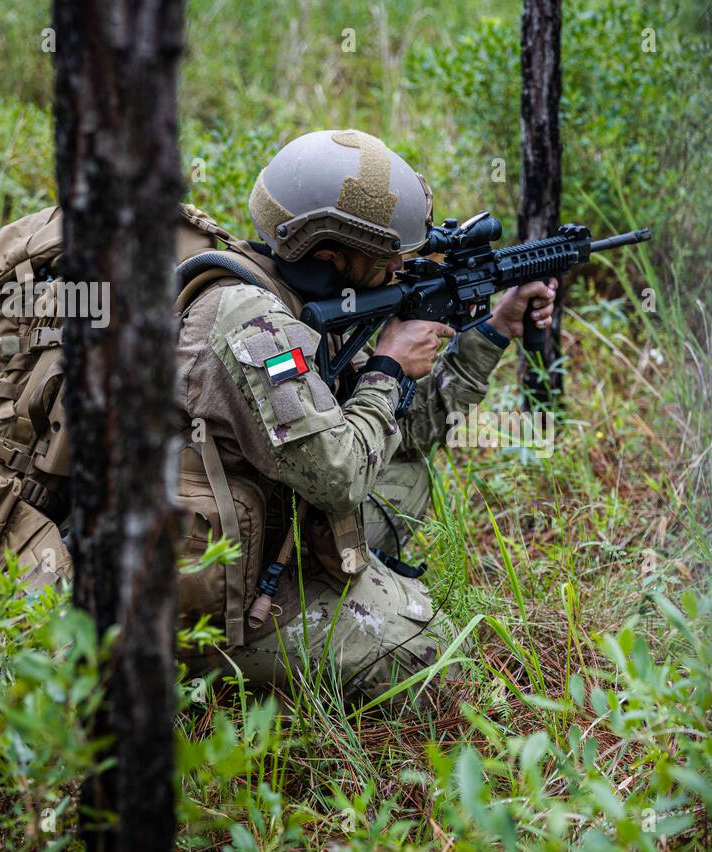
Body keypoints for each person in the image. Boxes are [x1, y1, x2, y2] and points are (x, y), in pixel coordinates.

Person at [173, 128, 557, 704]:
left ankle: (335, 605)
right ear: (331, 255)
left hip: (255, 525)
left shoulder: (290, 299)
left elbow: (411, 434)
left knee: (406, 480)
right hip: (197, 593)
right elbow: (339, 477)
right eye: (388, 259)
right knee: (428, 652)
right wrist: (389, 369)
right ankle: (215, 683)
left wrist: (495, 329)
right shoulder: (255, 328)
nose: (401, 270)